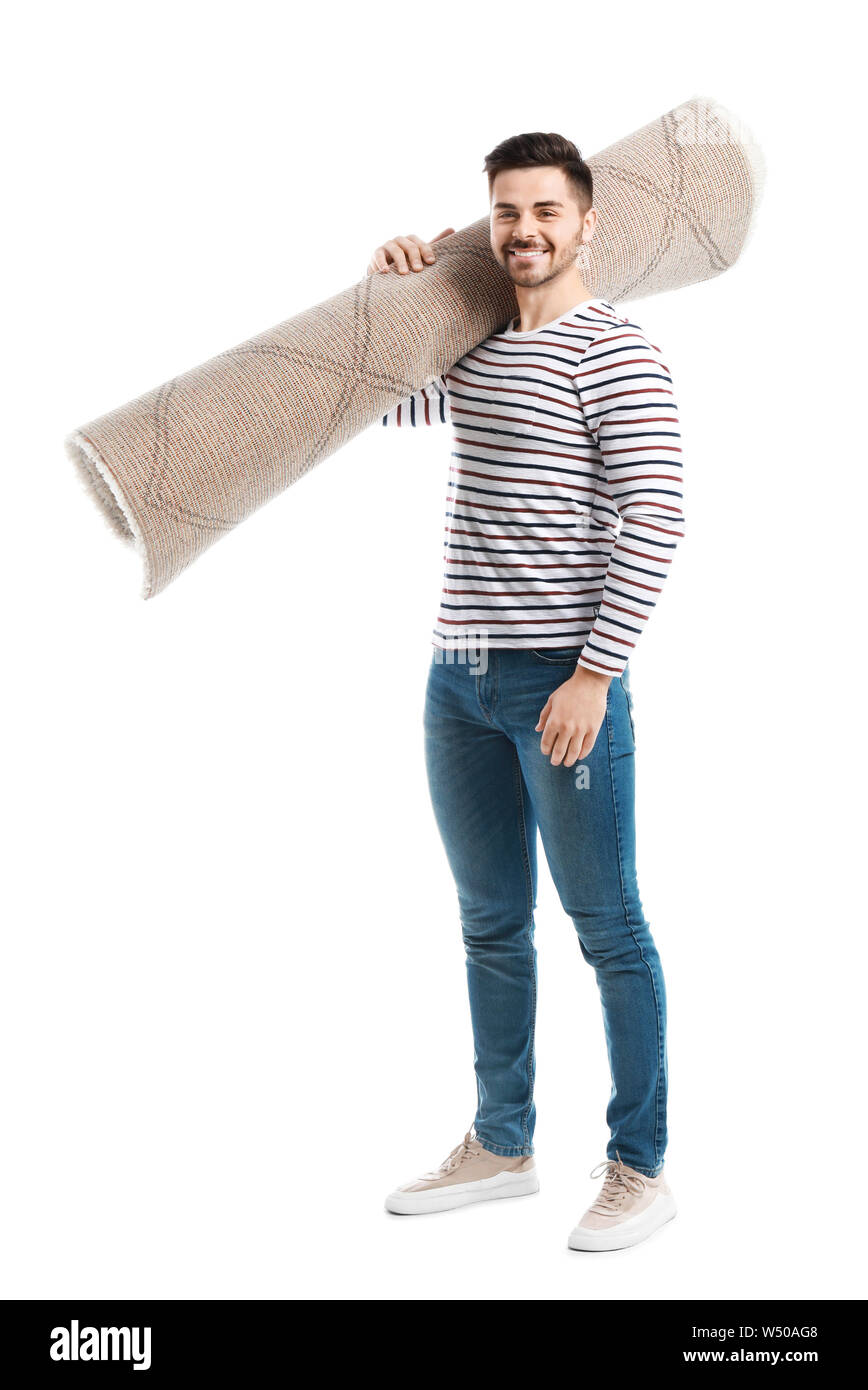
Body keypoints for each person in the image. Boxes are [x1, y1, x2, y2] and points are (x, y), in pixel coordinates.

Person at [368, 132, 683, 1251]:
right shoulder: (479, 346)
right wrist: (393, 292)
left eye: (546, 211)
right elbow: (378, 407)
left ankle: (639, 1167)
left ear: (585, 221)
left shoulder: (618, 352)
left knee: (607, 927)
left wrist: (595, 675)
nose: (525, 231)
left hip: (562, 683)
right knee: (490, 924)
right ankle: (502, 1144)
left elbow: (655, 518)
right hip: (454, 681)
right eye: (507, 212)